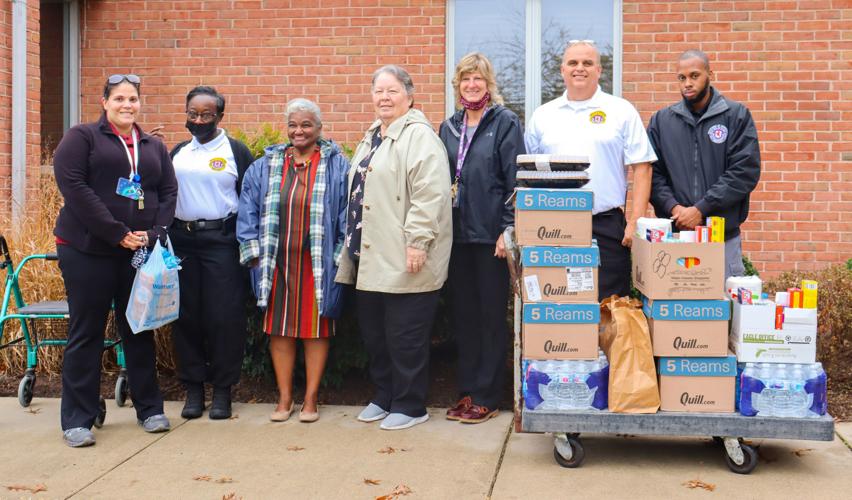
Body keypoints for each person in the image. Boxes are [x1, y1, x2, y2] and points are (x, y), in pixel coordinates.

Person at [53, 74, 178, 447]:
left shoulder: (152, 145)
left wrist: (154, 233)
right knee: (86, 331)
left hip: (137, 251)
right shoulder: (83, 138)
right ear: (104, 102)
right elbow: (74, 187)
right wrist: (116, 231)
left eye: (133, 99)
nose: (127, 105)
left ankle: (150, 408)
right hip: (88, 249)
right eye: (119, 98)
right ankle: (78, 418)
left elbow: (168, 191)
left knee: (139, 328)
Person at [336, 65, 452, 431]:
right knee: (376, 334)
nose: (384, 98)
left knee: (406, 336)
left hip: (405, 255)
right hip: (371, 254)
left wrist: (418, 242)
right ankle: (384, 396)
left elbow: (430, 195)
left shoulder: (420, 137)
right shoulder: (373, 135)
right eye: (378, 91)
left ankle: (410, 404)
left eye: (392, 91)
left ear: (410, 96)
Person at [237, 98, 350, 423]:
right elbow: (248, 211)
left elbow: (345, 213)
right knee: (279, 330)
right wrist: (252, 253)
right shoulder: (266, 165)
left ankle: (311, 399)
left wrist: (340, 255)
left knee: (316, 329)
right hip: (276, 262)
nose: (298, 131)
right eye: (293, 125)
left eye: (306, 125)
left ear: (319, 129)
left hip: (318, 262)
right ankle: (285, 398)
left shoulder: (337, 165)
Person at [525, 41, 657, 300]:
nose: (580, 68)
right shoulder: (543, 115)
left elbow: (642, 167)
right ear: (562, 70)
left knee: (609, 307)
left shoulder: (621, 111)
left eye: (587, 63)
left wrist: (635, 222)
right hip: (554, 227)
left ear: (599, 70)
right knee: (559, 303)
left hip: (606, 225)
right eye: (573, 63)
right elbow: (530, 175)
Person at [438, 53, 524, 424]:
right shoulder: (449, 126)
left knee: (490, 316)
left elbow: (515, 181)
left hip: (491, 236)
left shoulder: (505, 122)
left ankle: (488, 395)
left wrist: (508, 230)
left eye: (478, 79)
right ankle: (468, 391)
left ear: (489, 84)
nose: (471, 85)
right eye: (465, 79)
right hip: (456, 236)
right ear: (457, 85)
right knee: (465, 317)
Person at [169, 86, 255, 420]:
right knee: (186, 316)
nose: (199, 120)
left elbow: (249, 198)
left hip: (221, 240)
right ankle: (193, 389)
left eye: (206, 114)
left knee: (223, 317)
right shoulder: (178, 151)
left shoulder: (235, 150)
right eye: (193, 113)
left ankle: (222, 391)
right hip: (183, 240)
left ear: (220, 116)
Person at [648, 50, 761, 278]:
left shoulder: (736, 115)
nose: (687, 83)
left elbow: (744, 170)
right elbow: (653, 174)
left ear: (710, 74)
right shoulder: (661, 121)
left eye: (694, 75)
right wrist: (674, 208)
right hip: (675, 237)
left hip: (722, 237)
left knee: (722, 309)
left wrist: (702, 209)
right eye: (682, 78)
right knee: (675, 309)